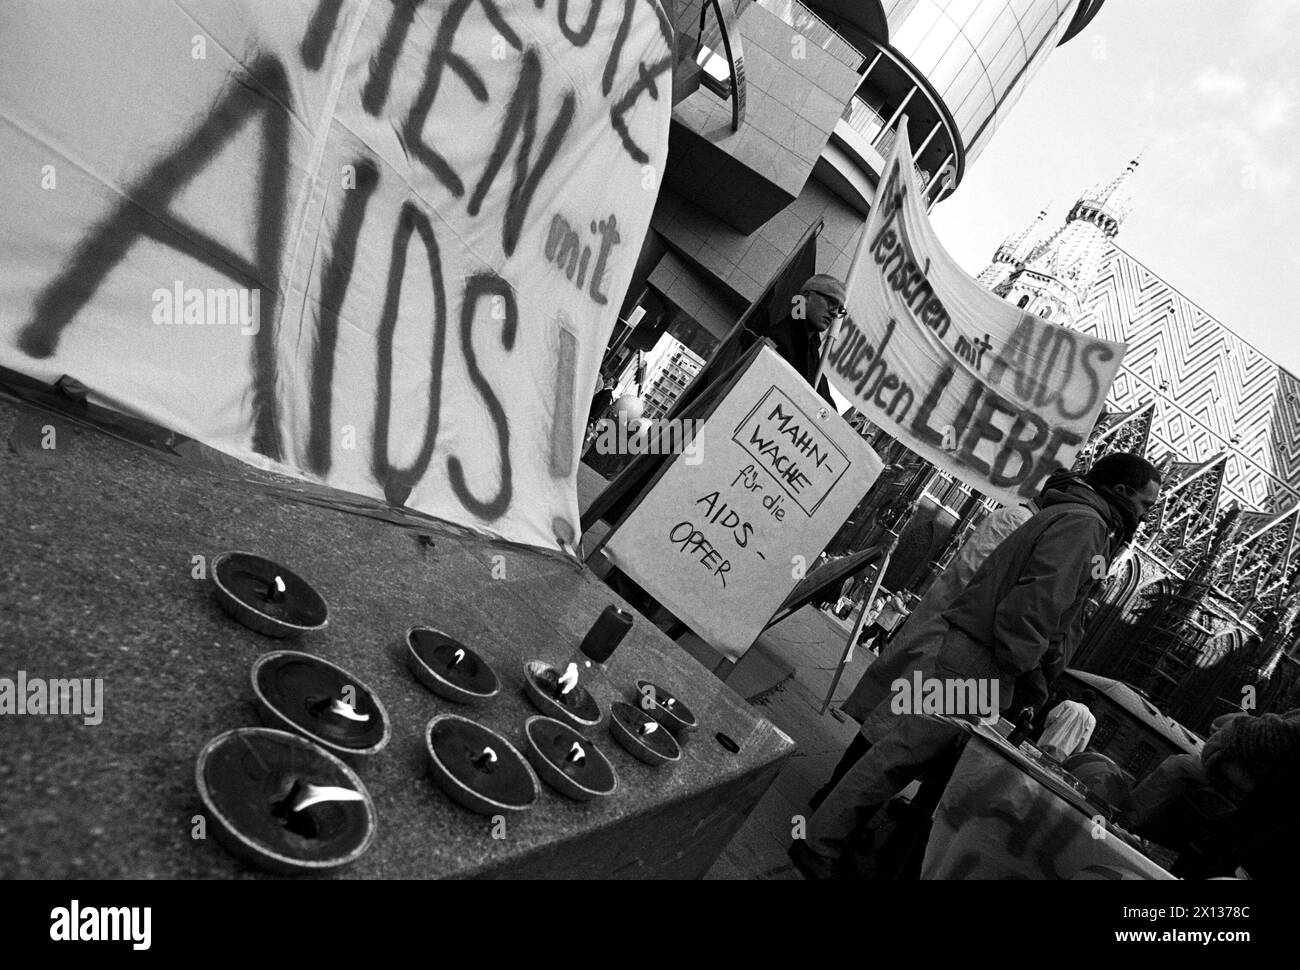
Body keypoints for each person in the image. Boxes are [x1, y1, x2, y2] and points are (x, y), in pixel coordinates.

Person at [790, 453, 1162, 878]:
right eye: (1146, 504)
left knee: (906, 753)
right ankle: (819, 843)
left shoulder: (1076, 515)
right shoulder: (1086, 525)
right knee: (902, 754)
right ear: (1121, 491)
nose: (1145, 516)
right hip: (984, 660)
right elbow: (1035, 606)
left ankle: (829, 837)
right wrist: (1020, 670)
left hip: (980, 654)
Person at [806, 476, 1062, 810]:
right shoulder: (1017, 521)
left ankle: (840, 800)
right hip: (945, 644)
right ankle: (834, 799)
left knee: (900, 730)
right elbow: (972, 578)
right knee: (894, 727)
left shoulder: (1022, 522)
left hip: (950, 644)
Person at [709, 274, 846, 405]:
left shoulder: (814, 354)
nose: (834, 313)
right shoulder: (776, 341)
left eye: (840, 310)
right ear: (806, 296)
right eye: (832, 302)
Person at [1037, 689, 1098, 761]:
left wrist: (1046, 726)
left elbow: (1051, 716)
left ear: (1081, 697)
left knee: (1034, 759)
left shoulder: (1068, 704)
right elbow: (1083, 741)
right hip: (1063, 751)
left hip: (1048, 740)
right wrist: (1076, 755)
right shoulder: (1092, 720)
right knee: (1047, 765)